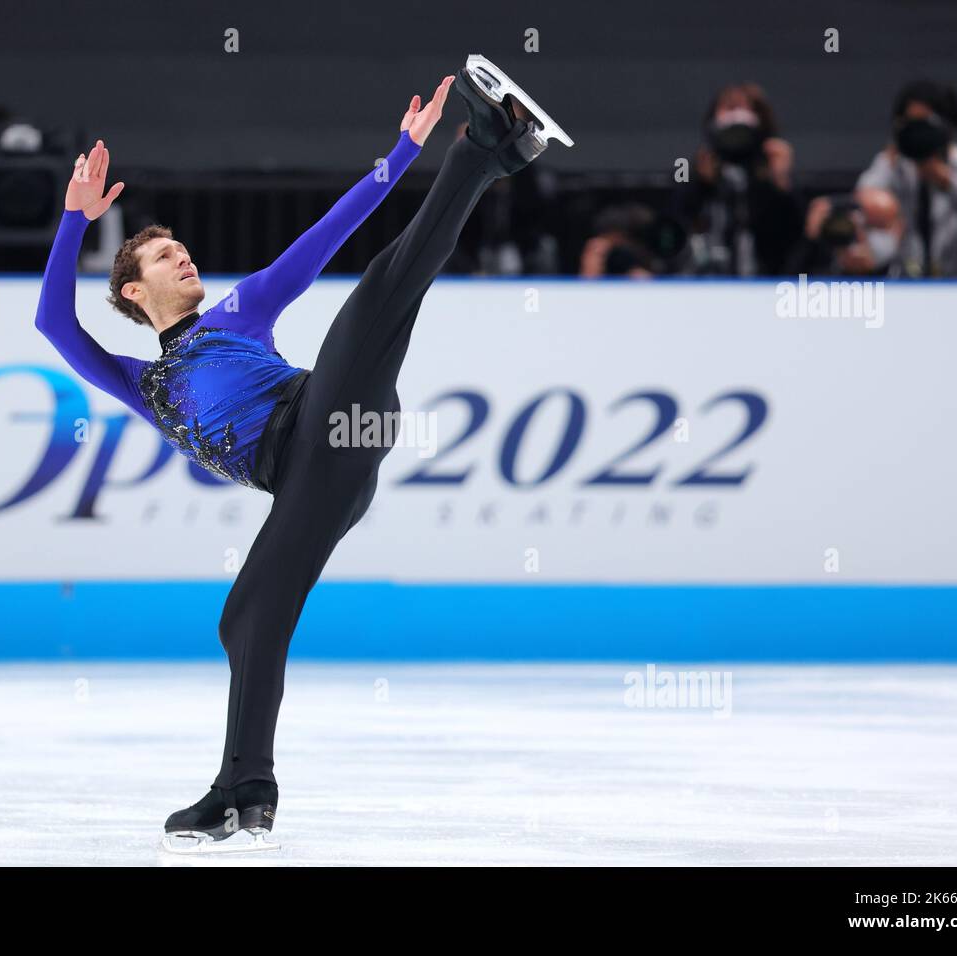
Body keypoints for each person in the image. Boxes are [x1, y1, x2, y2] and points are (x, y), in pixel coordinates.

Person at [32, 56, 570, 852]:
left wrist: (397, 156)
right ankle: (243, 786)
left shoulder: (239, 312)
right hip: (317, 482)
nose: (182, 256)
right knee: (244, 618)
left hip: (334, 415)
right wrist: (73, 219)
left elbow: (324, 240)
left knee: (379, 289)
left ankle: (486, 146)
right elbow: (52, 324)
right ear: (134, 295)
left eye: (181, 249)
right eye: (161, 258)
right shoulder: (139, 383)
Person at [856, 80, 957, 277]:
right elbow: (863, 205)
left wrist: (948, 182)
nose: (919, 134)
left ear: (949, 126)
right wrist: (892, 156)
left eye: (925, 125)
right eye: (911, 125)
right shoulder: (891, 166)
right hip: (903, 284)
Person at [672, 83, 802, 275]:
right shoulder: (697, 169)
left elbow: (793, 237)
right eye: (729, 108)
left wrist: (780, 183)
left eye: (745, 109)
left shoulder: (770, 168)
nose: (737, 117)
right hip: (705, 280)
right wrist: (701, 185)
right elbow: (673, 227)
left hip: (765, 281)